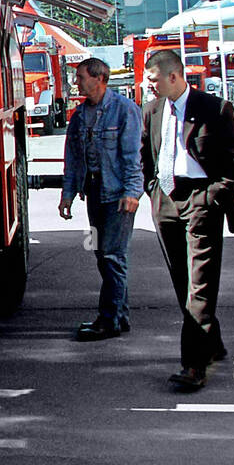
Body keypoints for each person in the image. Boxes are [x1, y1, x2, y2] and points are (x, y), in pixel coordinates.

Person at [140, 49, 234, 390]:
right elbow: (147, 154)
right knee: (182, 281)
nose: (149, 86)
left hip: (201, 200)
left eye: (154, 80)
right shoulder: (152, 111)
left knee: (200, 285)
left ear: (174, 76)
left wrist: (212, 196)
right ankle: (211, 343)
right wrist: (153, 189)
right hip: (166, 201)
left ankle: (193, 365)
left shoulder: (214, 109)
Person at [58, 57, 142, 339]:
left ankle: (108, 320)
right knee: (103, 255)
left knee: (112, 256)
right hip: (93, 192)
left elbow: (132, 157)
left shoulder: (124, 111)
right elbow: (72, 158)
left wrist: (132, 192)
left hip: (117, 194)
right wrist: (68, 194)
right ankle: (120, 316)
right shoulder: (80, 115)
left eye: (81, 77)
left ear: (99, 78)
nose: (76, 82)